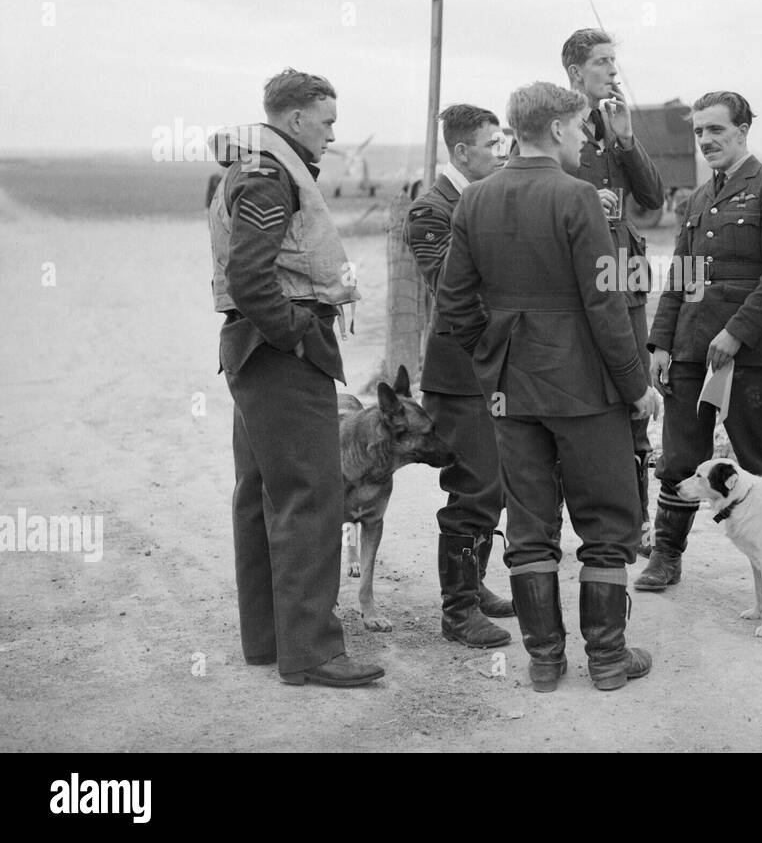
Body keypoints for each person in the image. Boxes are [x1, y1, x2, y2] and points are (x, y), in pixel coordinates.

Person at [436, 81, 660, 693]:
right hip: (584, 387)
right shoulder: (578, 196)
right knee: (607, 520)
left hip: (512, 387)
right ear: (558, 129)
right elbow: (605, 304)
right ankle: (609, 660)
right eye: (583, 125)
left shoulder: (474, 199)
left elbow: (454, 305)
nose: (588, 136)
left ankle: (543, 661)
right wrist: (637, 386)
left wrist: (494, 352)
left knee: (530, 523)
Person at [208, 68, 383, 687]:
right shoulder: (269, 176)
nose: (333, 134)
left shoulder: (257, 169)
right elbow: (250, 277)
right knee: (311, 496)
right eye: (328, 121)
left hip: (254, 356)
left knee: (261, 496)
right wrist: (300, 336)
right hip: (280, 356)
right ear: (295, 119)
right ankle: (311, 653)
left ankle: (270, 642)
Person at [637, 91, 762, 599]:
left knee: (759, 455)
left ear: (742, 130)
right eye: (699, 132)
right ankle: (667, 558)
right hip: (691, 350)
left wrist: (736, 333)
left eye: (716, 129)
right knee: (678, 458)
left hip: (752, 351)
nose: (706, 140)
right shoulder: (696, 198)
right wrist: (661, 343)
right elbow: (682, 276)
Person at [405, 104, 513, 649]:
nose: (502, 153)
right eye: (493, 144)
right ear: (462, 152)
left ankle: (476, 584)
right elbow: (454, 285)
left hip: (490, 366)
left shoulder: (478, 198)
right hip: (458, 371)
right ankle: (459, 610)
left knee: (491, 486)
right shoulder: (432, 210)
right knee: (471, 488)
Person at [562, 29, 666, 553]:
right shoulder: (553, 125)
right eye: (603, 63)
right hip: (573, 287)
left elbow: (653, 198)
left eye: (613, 62)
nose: (613, 72)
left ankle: (637, 522)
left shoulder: (612, 124)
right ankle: (581, 523)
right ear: (576, 71)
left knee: (633, 399)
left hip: (625, 286)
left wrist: (627, 139)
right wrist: (585, 196)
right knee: (578, 399)